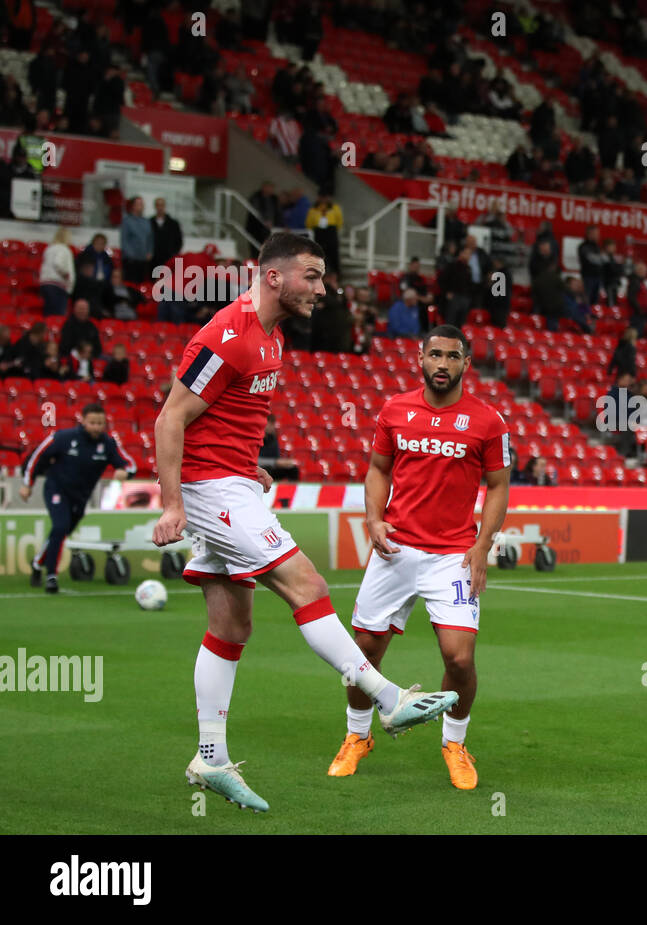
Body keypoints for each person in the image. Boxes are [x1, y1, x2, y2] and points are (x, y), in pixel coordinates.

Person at [151, 232, 458, 813]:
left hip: (232, 483)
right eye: (312, 276)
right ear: (273, 277)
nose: (323, 288)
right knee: (308, 586)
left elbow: (223, 418)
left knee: (231, 625)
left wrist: (250, 467)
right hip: (210, 491)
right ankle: (387, 699)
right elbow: (170, 419)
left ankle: (210, 757)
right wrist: (173, 504)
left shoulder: (271, 338)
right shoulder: (227, 335)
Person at [327, 326, 510, 790]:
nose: (443, 364)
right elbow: (378, 470)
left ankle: (454, 743)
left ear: (467, 363)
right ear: (420, 359)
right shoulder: (394, 410)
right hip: (395, 551)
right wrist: (373, 520)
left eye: (452, 356)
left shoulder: (488, 421)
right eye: (435, 355)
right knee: (362, 654)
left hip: (452, 555)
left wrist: (481, 547)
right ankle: (356, 736)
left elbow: (499, 486)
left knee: (460, 658)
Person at [20, 402, 135, 592]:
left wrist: (125, 472)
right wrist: (27, 484)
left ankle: (37, 563)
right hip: (57, 490)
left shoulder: (107, 443)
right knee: (60, 526)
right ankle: (51, 577)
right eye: (92, 423)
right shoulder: (64, 438)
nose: (97, 427)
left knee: (61, 532)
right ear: (83, 421)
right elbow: (37, 456)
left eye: (100, 423)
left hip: (80, 498)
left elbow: (129, 464)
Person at [38, 226, 75, 316]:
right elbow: (58, 263)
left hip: (45, 283)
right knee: (57, 316)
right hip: (57, 285)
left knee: (48, 314)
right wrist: (66, 275)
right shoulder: (64, 249)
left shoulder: (49, 249)